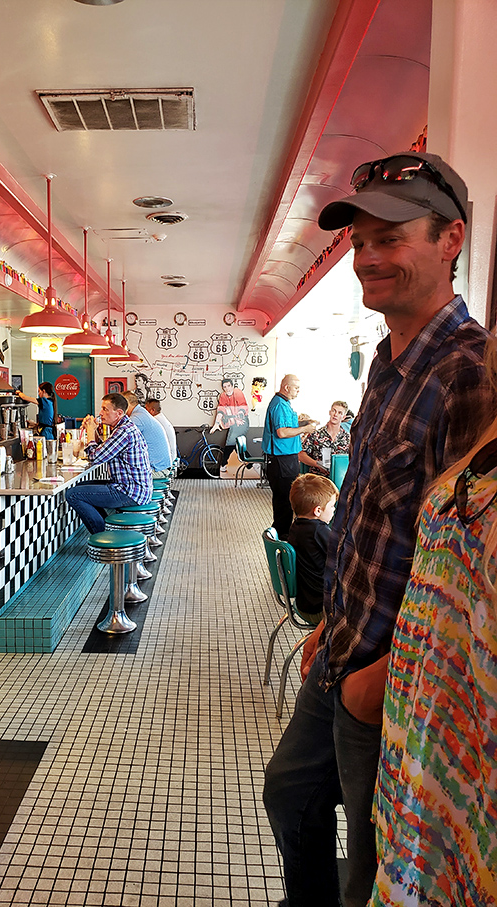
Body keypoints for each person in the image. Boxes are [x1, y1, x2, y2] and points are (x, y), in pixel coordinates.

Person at [262, 151, 496, 907]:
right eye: (361, 240)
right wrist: (329, 621)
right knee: (288, 792)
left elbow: (468, 568)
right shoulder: (387, 368)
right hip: (340, 650)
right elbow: (366, 517)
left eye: (391, 237)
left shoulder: (472, 375)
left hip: (392, 684)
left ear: (451, 237)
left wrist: (382, 674)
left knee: (376, 866)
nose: (367, 257)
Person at [370, 344, 497, 907]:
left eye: (389, 244)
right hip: (419, 729)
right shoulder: (485, 421)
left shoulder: (458, 373)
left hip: (465, 751)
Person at [65, 393, 152, 534]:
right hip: (132, 487)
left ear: (118, 413)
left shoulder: (124, 431)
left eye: (105, 409)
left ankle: (102, 535)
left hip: (130, 491)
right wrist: (94, 434)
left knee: (73, 494)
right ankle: (106, 529)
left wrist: (91, 431)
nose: (100, 413)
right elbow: (104, 449)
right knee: (81, 487)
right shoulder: (123, 427)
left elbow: (95, 458)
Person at [262, 375, 317, 540]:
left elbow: (287, 426)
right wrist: (305, 429)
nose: (298, 391)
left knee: (286, 500)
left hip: (287, 459)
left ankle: (283, 534)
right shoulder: (279, 405)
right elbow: (282, 432)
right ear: (286, 387)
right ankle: (282, 538)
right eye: (296, 388)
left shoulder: (284, 403)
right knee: (284, 502)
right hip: (281, 461)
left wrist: (304, 423)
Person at [287, 474, 338, 626]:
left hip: (305, 602)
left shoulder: (296, 526)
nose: (334, 510)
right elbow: (343, 555)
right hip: (321, 609)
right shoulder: (319, 531)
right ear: (317, 511)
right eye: (331, 506)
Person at [123, 391, 171, 477]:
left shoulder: (137, 418)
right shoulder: (141, 413)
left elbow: (122, 440)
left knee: (123, 476)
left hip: (157, 469)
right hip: (162, 466)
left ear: (127, 405)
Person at [299, 400, 350, 476]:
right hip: (318, 480)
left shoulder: (347, 438)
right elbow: (300, 455)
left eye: (339, 413)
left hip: (338, 481)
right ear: (330, 412)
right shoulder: (315, 434)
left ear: (343, 417)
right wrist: (316, 464)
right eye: (334, 411)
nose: (335, 414)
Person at [211, 378, 249, 473]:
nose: (227, 388)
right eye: (224, 387)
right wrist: (216, 424)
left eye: (228, 386)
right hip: (233, 422)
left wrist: (239, 417)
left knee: (230, 443)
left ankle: (224, 464)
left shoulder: (237, 392)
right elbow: (221, 410)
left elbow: (242, 406)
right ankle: (249, 462)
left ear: (232, 386)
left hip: (241, 421)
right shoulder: (223, 396)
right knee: (236, 444)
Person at [144, 397, 177, 464]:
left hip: (166, 460)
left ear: (152, 410)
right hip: (171, 456)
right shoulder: (161, 418)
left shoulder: (154, 421)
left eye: (146, 409)